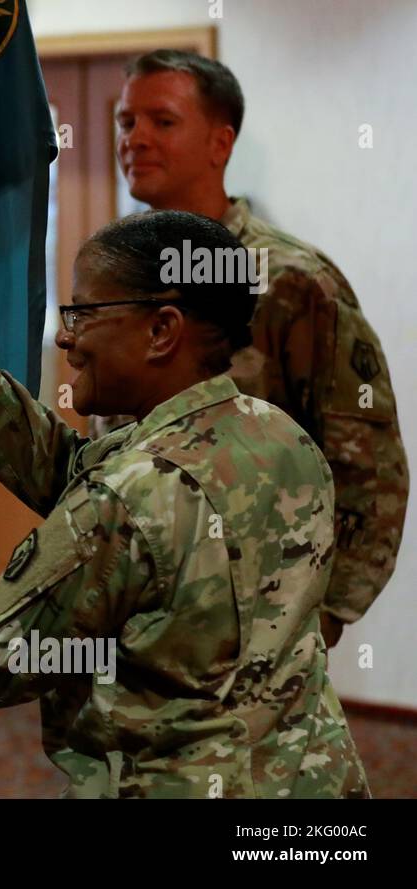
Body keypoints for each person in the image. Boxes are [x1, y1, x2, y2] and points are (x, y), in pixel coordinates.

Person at [0, 211, 368, 798]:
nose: (65, 336)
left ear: (162, 330)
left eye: (82, 313)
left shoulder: (128, 496)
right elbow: (74, 474)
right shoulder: (279, 436)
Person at [113, 49, 406, 646]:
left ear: (220, 144)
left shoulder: (291, 283)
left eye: (161, 122)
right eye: (126, 122)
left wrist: (322, 617)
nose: (136, 139)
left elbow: (369, 469)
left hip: (255, 628)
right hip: (136, 617)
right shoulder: (116, 282)